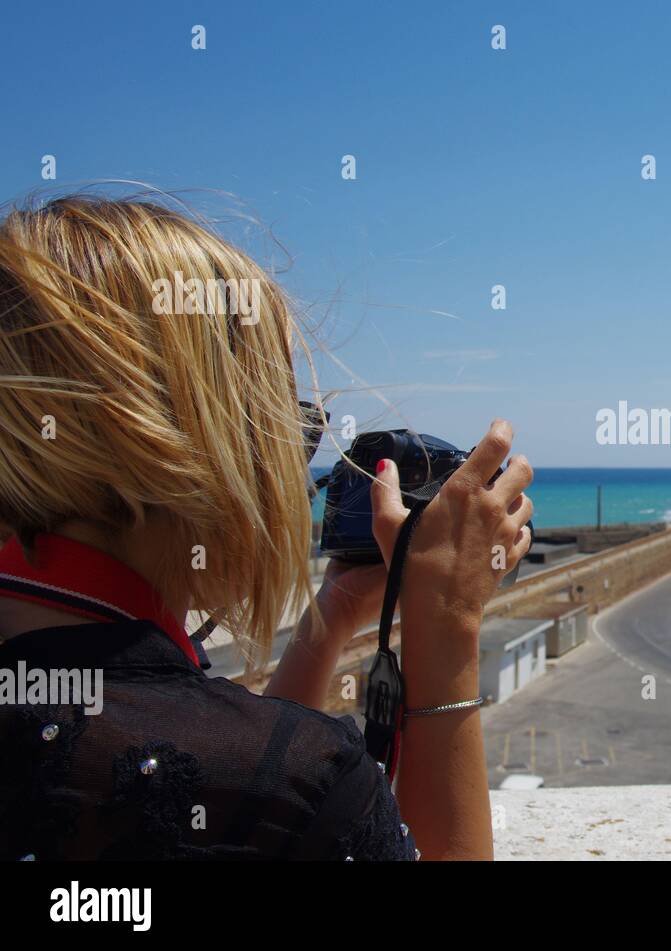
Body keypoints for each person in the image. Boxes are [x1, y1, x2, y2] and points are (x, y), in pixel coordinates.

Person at [0, 194, 532, 860]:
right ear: (206, 450)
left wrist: (330, 615)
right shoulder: (310, 790)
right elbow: (251, 781)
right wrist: (447, 628)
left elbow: (229, 748)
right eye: (294, 428)